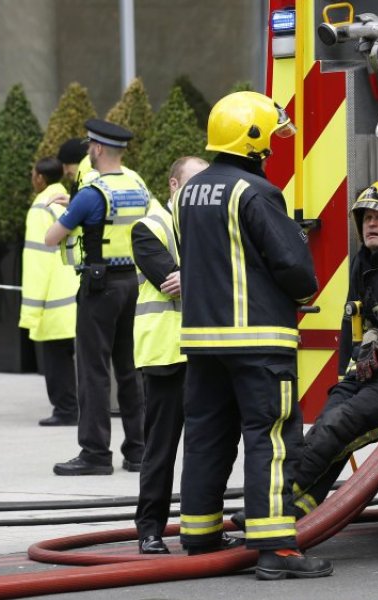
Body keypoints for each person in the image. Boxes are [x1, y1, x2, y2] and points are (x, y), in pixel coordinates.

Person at [172, 91, 331, 579]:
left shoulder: (188, 195)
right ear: (254, 140)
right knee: (272, 439)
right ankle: (277, 548)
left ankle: (198, 534)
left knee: (205, 436)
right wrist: (304, 290)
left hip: (202, 341)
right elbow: (293, 267)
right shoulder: (255, 192)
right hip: (259, 341)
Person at [290, 181, 378, 516]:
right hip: (365, 372)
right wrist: (344, 375)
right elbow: (351, 319)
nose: (371, 223)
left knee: (338, 427)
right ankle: (301, 508)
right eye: (366, 217)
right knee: (326, 423)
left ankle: (275, 502)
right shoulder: (362, 263)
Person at [132, 155, 242, 555]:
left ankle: (208, 526)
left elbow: (223, 272)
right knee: (160, 448)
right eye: (193, 184)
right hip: (165, 354)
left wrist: (195, 274)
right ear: (174, 186)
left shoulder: (204, 227)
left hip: (207, 352)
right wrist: (206, 274)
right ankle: (149, 529)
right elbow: (169, 281)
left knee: (210, 446)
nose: (200, 192)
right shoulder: (149, 227)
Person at [45, 119, 149, 476]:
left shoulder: (92, 193)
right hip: (133, 285)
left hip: (98, 288)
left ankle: (94, 453)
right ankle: (138, 451)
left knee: (93, 372)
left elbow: (52, 237)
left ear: (98, 149)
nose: (88, 149)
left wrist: (65, 210)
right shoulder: (137, 184)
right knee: (131, 370)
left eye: (91, 145)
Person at [19, 157, 80, 426]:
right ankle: (75, 407)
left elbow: (37, 262)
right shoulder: (68, 202)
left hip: (53, 299)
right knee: (73, 357)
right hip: (74, 293)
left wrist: (31, 312)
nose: (32, 178)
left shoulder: (40, 210)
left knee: (56, 360)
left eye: (33, 174)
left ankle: (66, 410)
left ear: (40, 179)